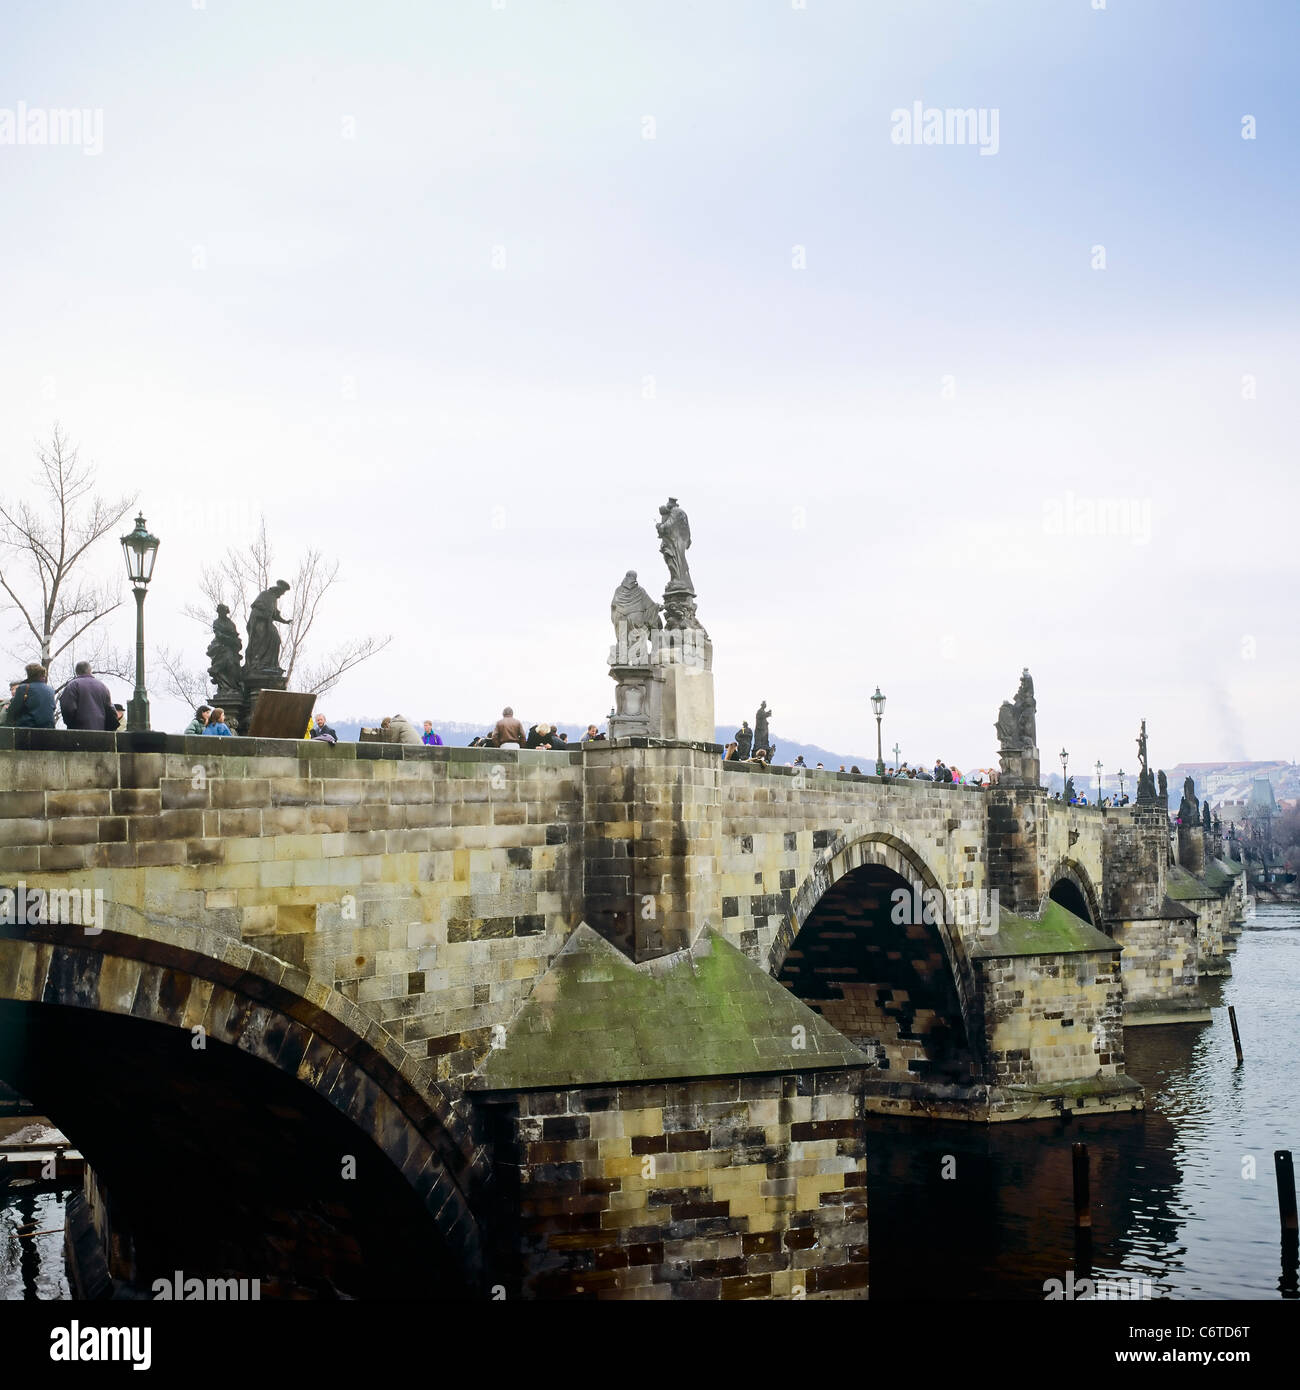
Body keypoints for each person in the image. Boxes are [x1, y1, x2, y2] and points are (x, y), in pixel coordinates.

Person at [59, 661, 117, 731]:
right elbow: (110, 709)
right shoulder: (103, 686)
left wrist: (70, 723)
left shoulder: (72, 686)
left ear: (77, 672)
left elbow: (67, 708)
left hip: (78, 732)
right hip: (100, 731)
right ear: (90, 671)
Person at [4, 663, 56, 728]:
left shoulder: (24, 688)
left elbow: (13, 710)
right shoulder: (50, 690)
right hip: (48, 727)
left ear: (29, 674)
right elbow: (53, 707)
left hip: (28, 727)